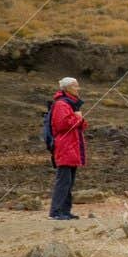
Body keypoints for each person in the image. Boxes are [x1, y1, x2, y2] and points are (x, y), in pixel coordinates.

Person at [47, 76, 88, 220]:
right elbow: (62, 124)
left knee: (68, 182)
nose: (78, 88)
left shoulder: (70, 104)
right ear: (68, 88)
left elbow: (80, 126)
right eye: (76, 86)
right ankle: (56, 211)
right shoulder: (61, 104)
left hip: (72, 148)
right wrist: (78, 118)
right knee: (63, 181)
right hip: (65, 147)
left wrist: (79, 119)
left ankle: (65, 211)